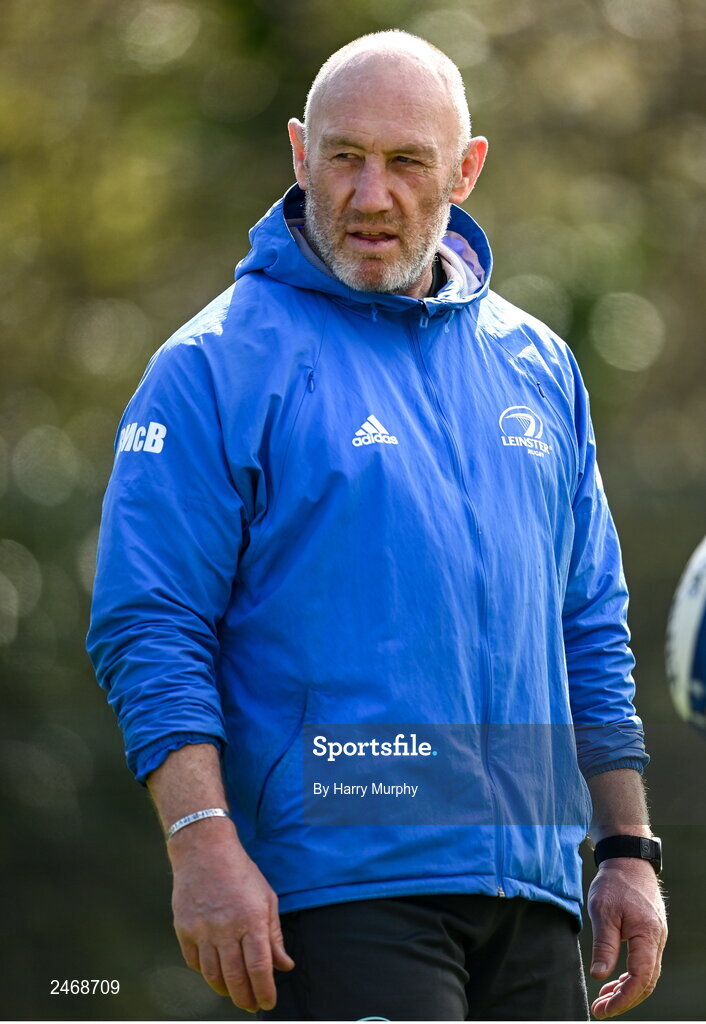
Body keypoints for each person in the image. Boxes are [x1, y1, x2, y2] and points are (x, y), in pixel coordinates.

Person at [87, 30, 667, 1022]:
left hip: (533, 891)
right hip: (339, 889)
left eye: (406, 163)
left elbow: (588, 623)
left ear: (466, 168)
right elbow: (150, 625)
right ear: (298, 152)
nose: (369, 196)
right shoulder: (214, 364)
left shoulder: (540, 365)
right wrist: (200, 840)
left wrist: (624, 848)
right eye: (343, 157)